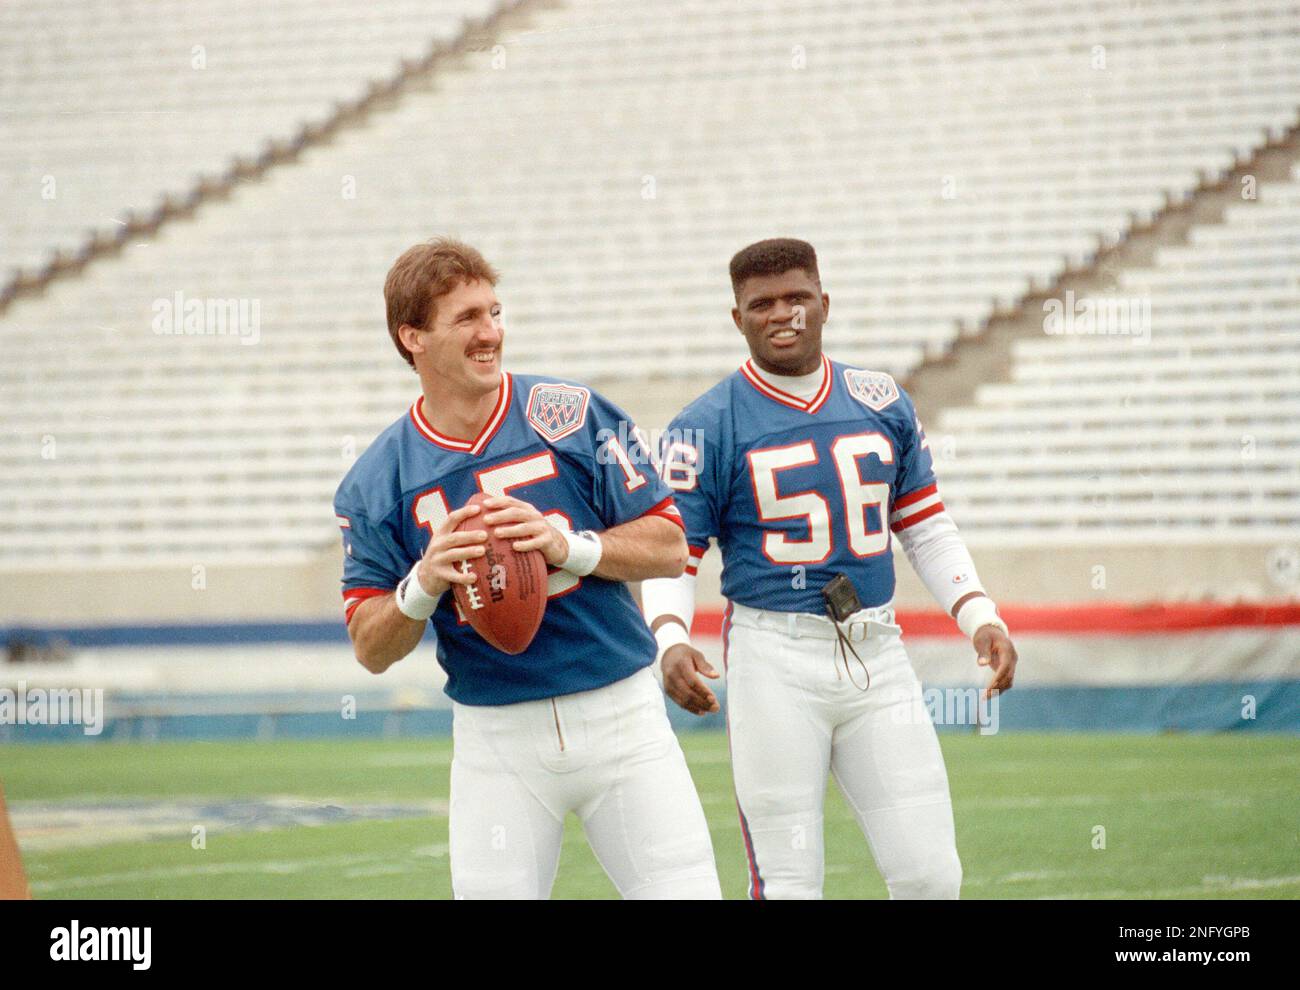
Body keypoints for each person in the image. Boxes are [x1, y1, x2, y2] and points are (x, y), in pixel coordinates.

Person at [336, 238, 720, 900]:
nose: (491, 333)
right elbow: (372, 648)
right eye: (467, 318)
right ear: (413, 337)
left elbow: (665, 542)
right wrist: (423, 583)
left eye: (495, 312)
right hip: (498, 739)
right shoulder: (378, 480)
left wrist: (566, 546)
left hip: (620, 715)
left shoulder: (568, 414)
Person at [642, 238, 1019, 899]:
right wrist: (670, 638)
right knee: (789, 883)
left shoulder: (881, 398)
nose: (783, 314)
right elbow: (675, 555)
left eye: (797, 297)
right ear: (738, 319)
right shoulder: (706, 425)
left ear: (824, 303)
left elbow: (925, 525)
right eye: (762, 304)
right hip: (773, 660)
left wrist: (980, 613)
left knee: (931, 875)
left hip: (878, 650)